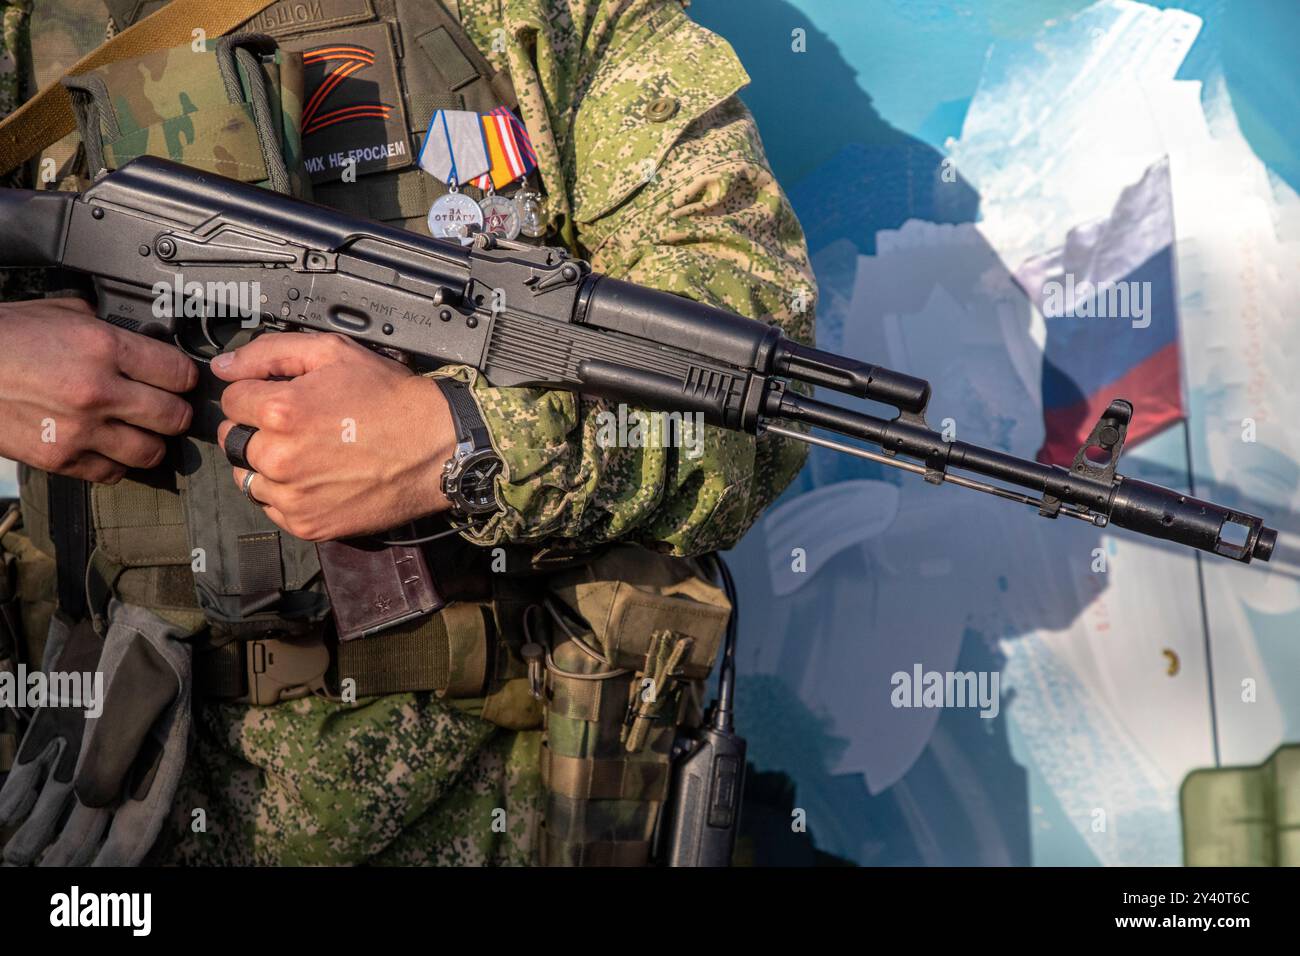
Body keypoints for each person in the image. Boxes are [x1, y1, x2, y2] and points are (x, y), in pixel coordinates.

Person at [0, 0, 815, 865]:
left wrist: (460, 439)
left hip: (495, 795)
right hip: (89, 788)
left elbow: (756, 384)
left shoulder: (543, 17)